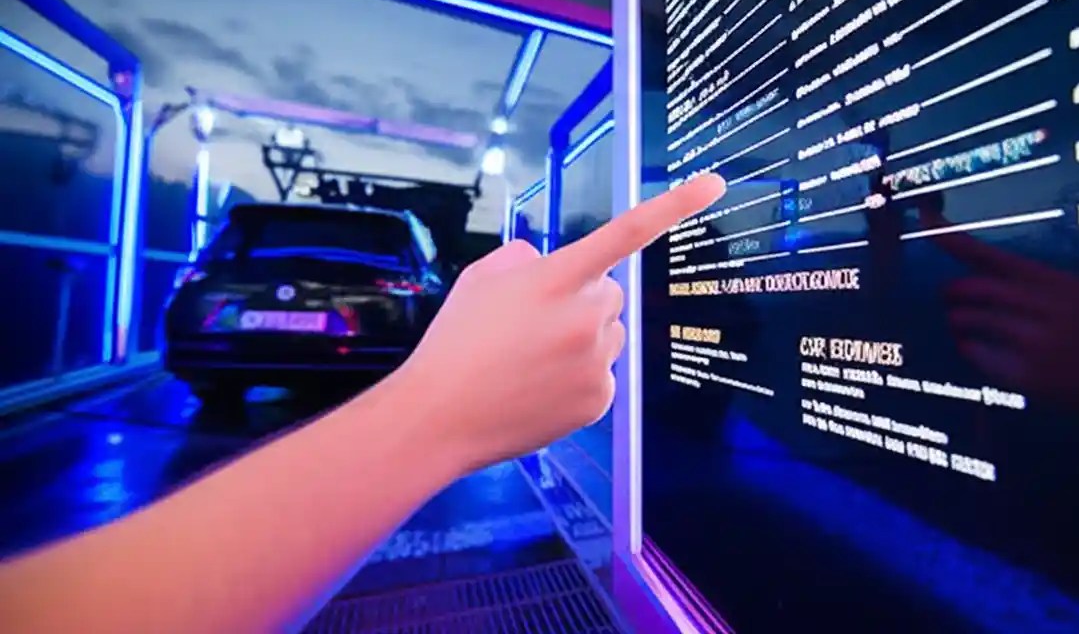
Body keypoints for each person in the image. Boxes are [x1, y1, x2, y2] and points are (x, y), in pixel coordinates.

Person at [0, 173, 728, 634]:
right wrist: (439, 407)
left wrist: (434, 408)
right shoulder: (396, 266)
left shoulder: (232, 263)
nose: (295, 293)